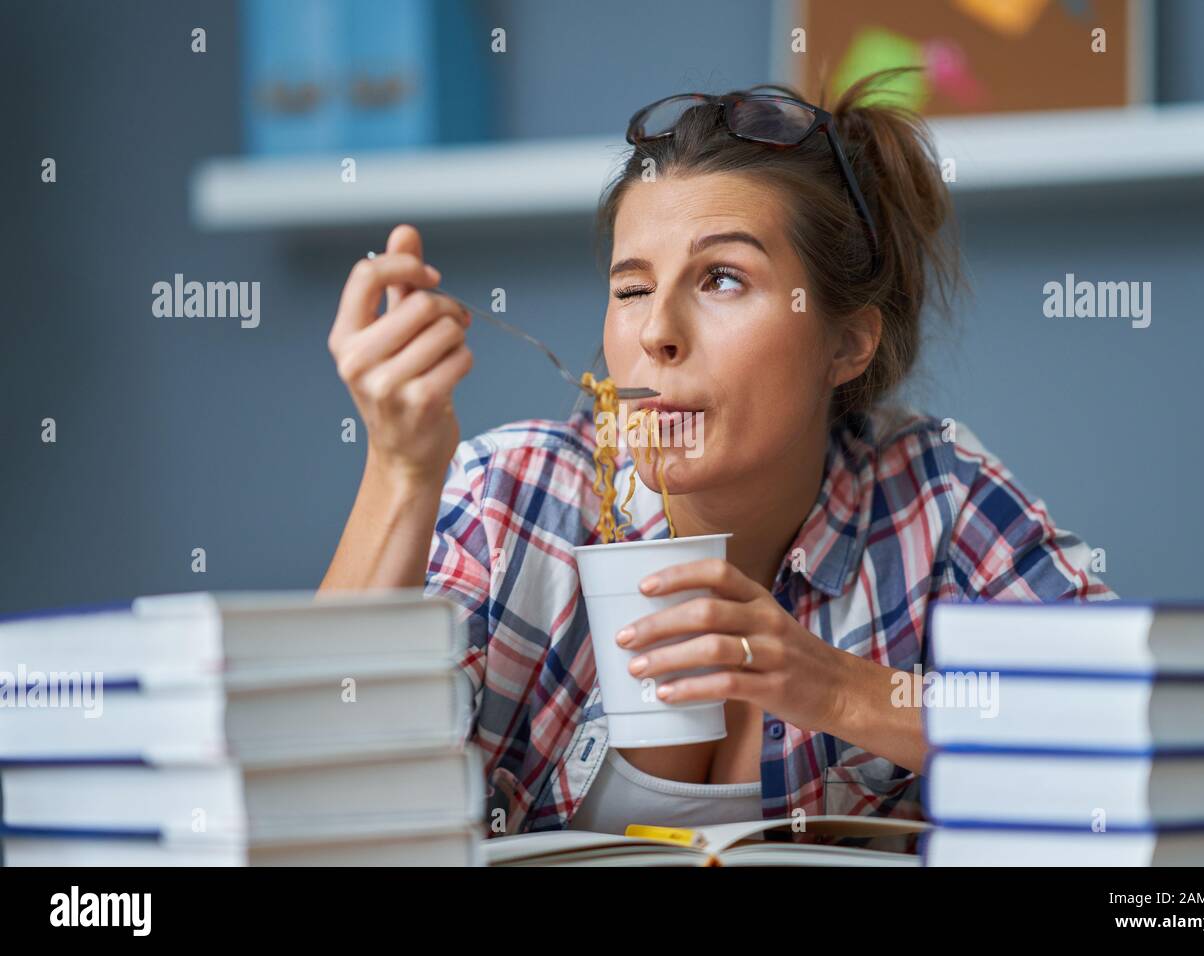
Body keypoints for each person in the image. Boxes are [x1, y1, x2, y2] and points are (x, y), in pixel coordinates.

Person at [319, 72, 1114, 844]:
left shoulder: (931, 497)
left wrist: (836, 687)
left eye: (723, 279)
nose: (657, 332)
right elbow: (314, 790)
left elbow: (1124, 728)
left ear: (845, 342)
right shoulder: (515, 498)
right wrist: (400, 470)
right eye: (631, 289)